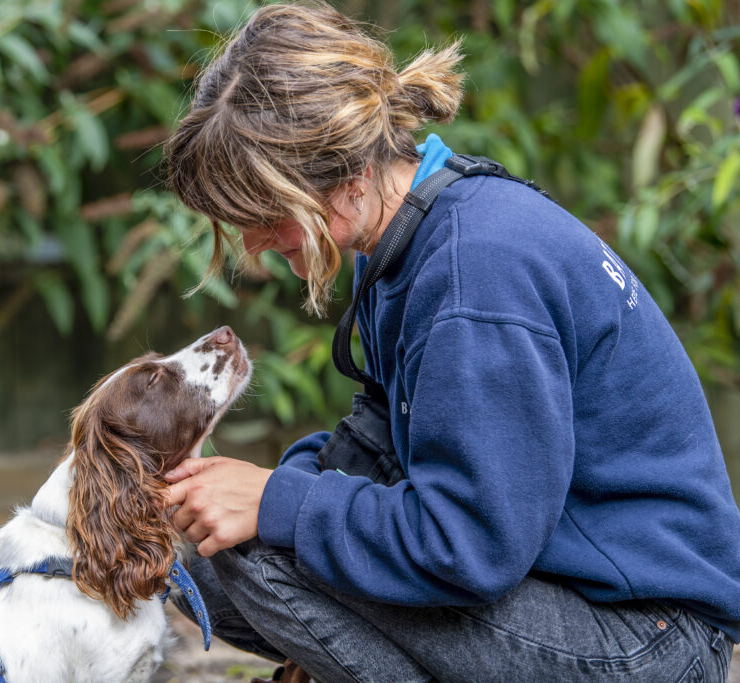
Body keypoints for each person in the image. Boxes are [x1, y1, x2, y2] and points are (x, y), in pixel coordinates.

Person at [160, 2, 740, 681]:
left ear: (345, 175)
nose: (253, 246)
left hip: (649, 636)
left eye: (261, 214)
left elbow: (470, 544)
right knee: (201, 568)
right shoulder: (417, 231)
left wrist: (274, 502)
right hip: (568, 587)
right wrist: (250, 490)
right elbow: (379, 441)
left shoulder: (475, 277)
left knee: (259, 556)